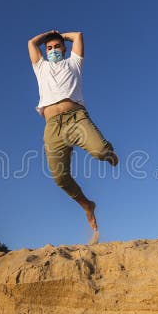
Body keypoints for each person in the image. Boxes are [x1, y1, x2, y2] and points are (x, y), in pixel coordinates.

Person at [28, 29, 119, 244]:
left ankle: (109, 153)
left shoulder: (74, 63)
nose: (52, 50)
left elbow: (78, 35)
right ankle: (87, 205)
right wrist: (48, 34)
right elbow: (32, 43)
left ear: (64, 48)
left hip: (76, 119)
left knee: (100, 151)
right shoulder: (41, 67)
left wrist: (59, 34)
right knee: (60, 178)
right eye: (49, 48)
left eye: (56, 47)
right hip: (53, 127)